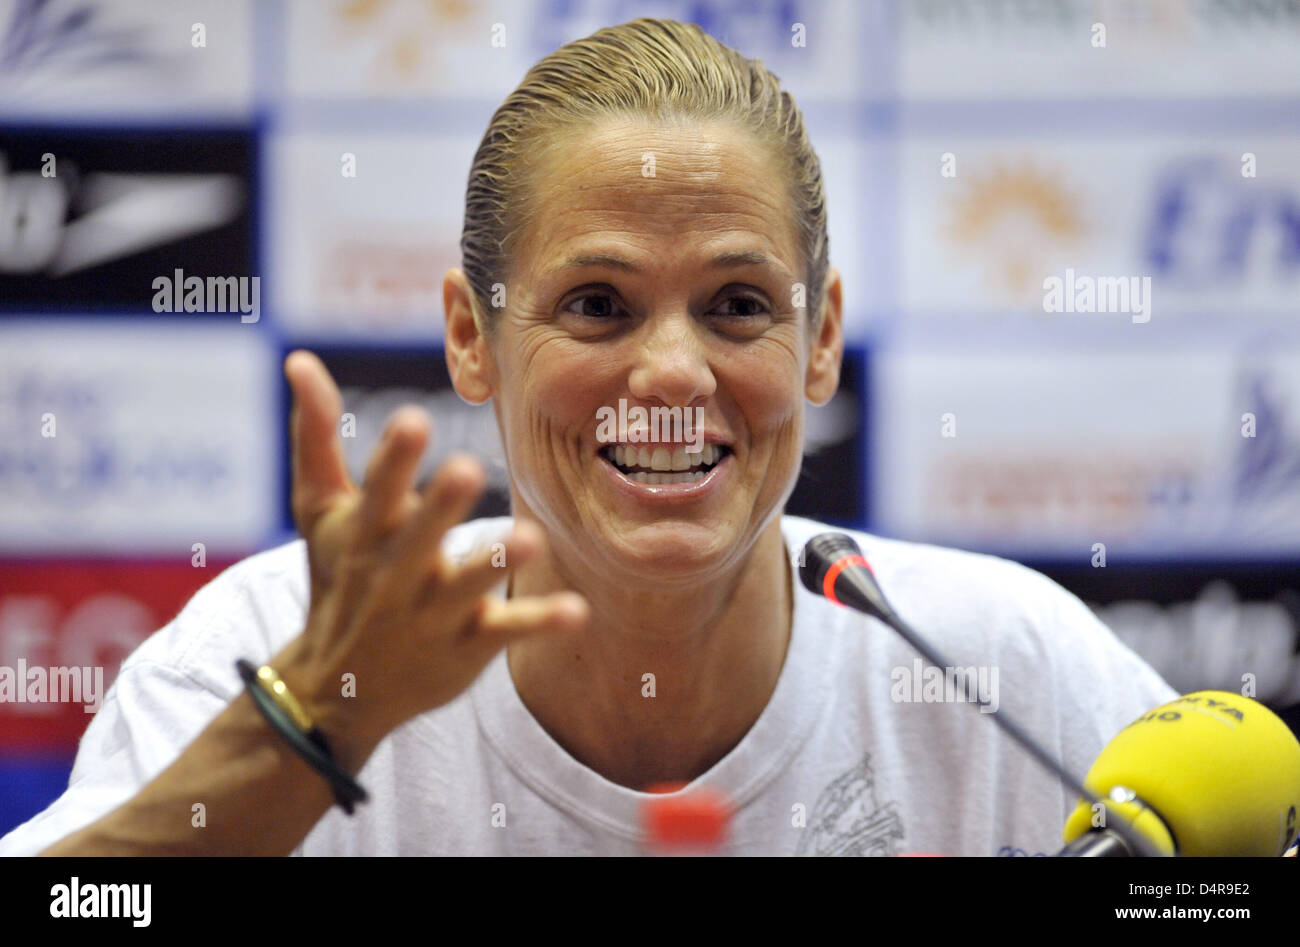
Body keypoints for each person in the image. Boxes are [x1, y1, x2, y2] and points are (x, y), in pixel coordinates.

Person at [1, 18, 1173, 857]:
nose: (670, 371)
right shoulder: (278, 645)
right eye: (598, 305)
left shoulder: (1004, 669)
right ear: (472, 338)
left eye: (737, 305)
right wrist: (318, 725)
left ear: (820, 345)